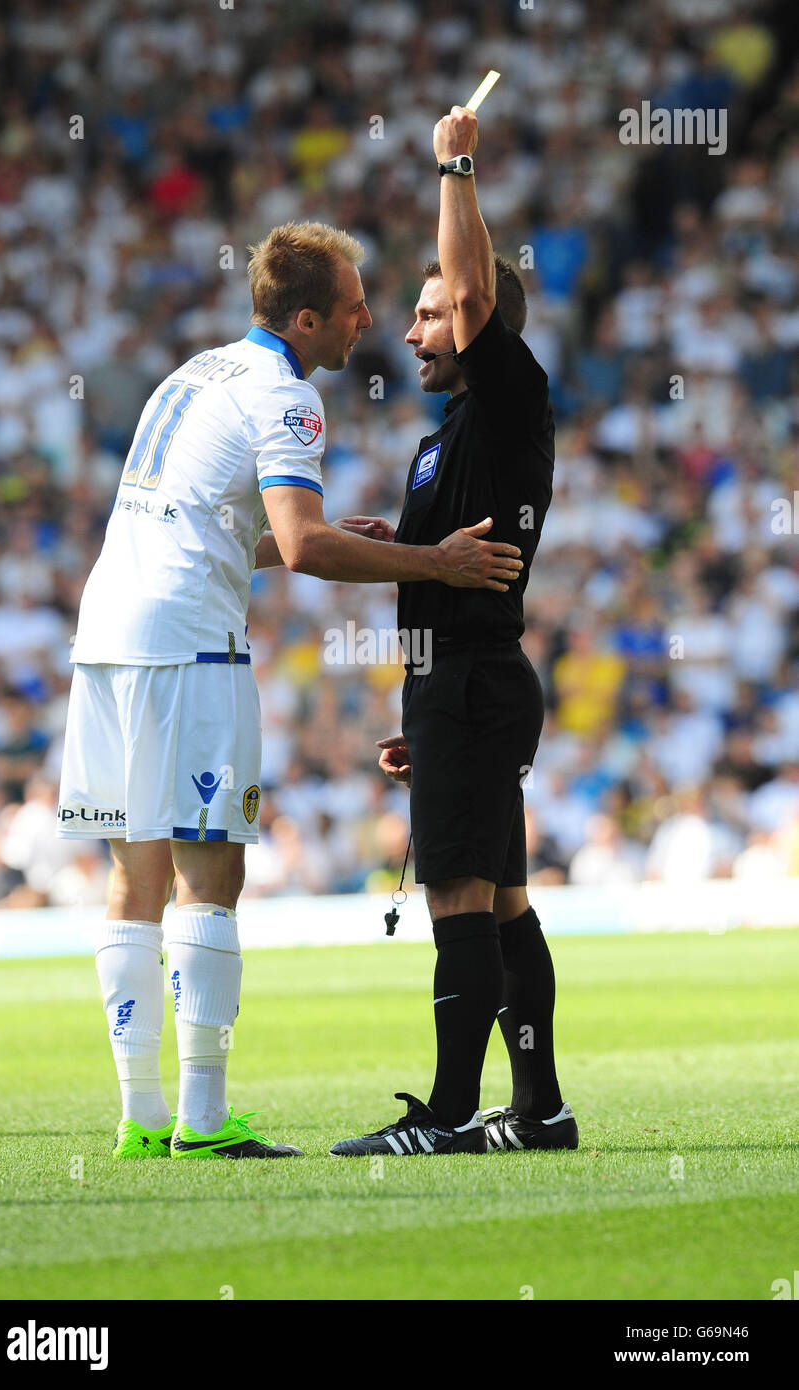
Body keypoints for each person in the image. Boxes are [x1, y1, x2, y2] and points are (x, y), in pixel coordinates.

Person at [57, 220, 523, 1162]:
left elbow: (234, 535)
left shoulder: (194, 373)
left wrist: (300, 541)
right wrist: (432, 557)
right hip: (190, 642)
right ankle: (203, 1118)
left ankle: (143, 1118)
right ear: (306, 318)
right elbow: (309, 548)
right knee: (211, 872)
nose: (368, 320)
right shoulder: (288, 400)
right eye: (353, 305)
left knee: (132, 874)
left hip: (106, 634)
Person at [330, 112, 577, 1157]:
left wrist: (453, 163)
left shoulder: (509, 395)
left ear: (478, 326)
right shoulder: (443, 445)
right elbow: (435, 580)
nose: (416, 330)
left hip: (474, 683)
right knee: (506, 906)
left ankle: (441, 1116)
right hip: (458, 687)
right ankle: (539, 1111)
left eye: (431, 316)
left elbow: (475, 290)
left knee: (458, 902)